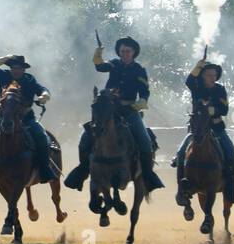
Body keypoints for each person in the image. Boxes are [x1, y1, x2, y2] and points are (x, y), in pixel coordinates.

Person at [65, 36, 165, 191]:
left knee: (145, 142)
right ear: (119, 52)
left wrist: (141, 103)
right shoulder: (114, 64)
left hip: (129, 111)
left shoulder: (139, 70)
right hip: (108, 109)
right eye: (122, 51)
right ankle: (83, 170)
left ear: (133, 53)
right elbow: (100, 66)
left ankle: (147, 175)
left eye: (128, 51)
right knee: (85, 139)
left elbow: (144, 92)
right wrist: (98, 54)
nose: (125, 53)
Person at [0, 55, 56, 189]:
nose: (16, 70)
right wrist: (6, 58)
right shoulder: (3, 76)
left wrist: (44, 96)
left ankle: (45, 170)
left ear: (24, 69)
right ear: (10, 68)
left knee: (42, 138)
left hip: (27, 121)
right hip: (4, 121)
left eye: (19, 68)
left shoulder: (29, 80)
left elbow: (43, 90)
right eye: (13, 68)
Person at [173, 59, 234, 204]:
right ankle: (180, 191)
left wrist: (210, 110)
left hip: (216, 129)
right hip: (196, 130)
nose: (212, 77)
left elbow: (224, 110)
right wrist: (198, 66)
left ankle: (231, 191)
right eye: (208, 74)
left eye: (214, 75)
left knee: (231, 156)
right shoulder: (196, 87)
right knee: (180, 154)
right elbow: (189, 81)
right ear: (202, 76)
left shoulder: (220, 90)